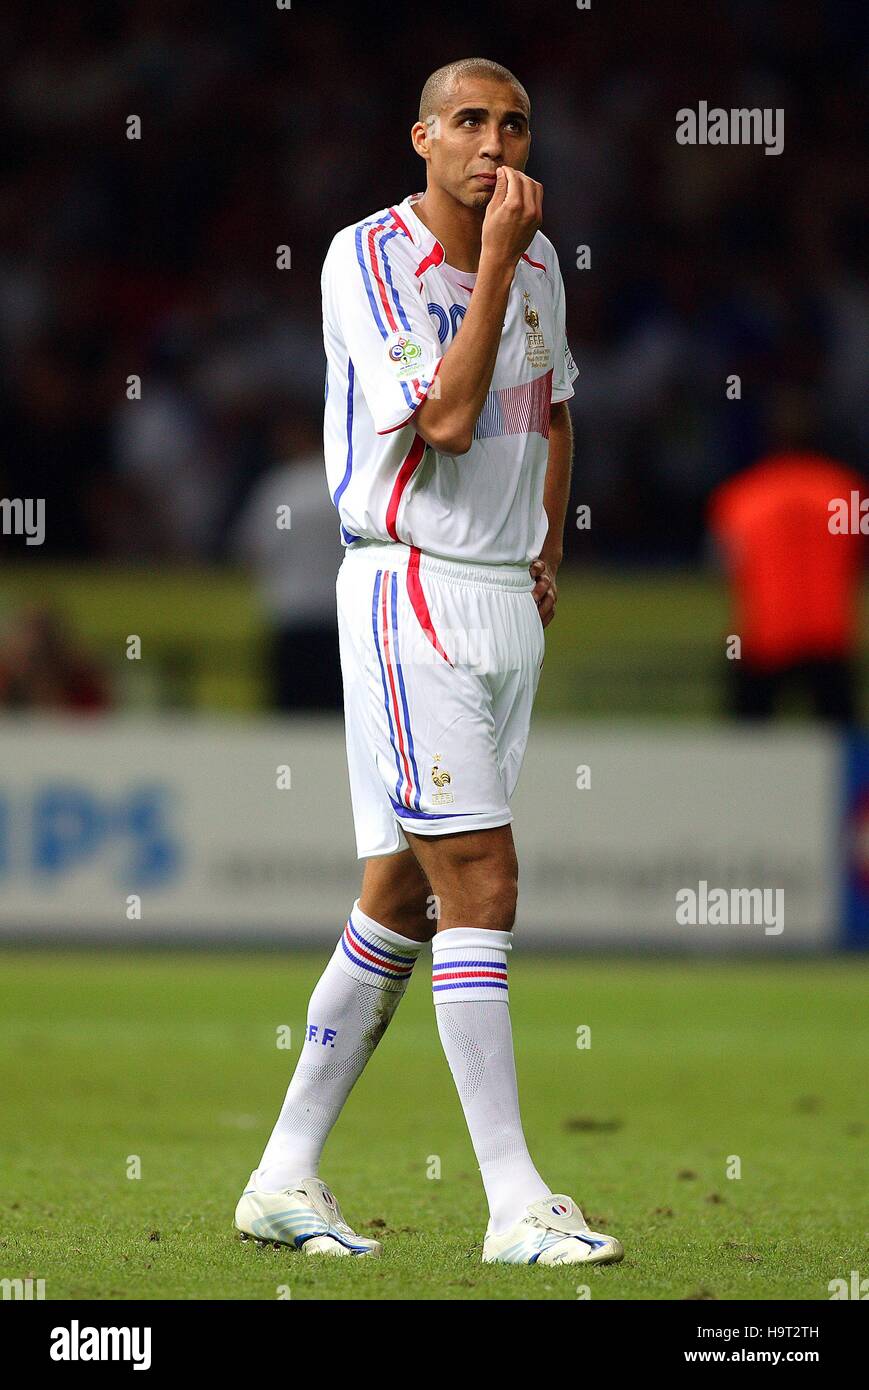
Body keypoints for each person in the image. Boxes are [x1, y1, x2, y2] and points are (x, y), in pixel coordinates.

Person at [235, 57, 624, 1268]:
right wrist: (497, 262)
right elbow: (446, 422)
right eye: (469, 122)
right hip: (409, 583)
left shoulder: (545, 263)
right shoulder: (367, 256)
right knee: (483, 884)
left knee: (401, 896)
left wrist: (549, 549)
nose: (494, 144)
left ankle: (281, 1177)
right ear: (421, 136)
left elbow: (551, 409)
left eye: (513, 124)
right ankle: (514, 1203)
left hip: (503, 596)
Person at [708, 391, 865, 724]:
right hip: (829, 636)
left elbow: (723, 565)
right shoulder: (846, 491)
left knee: (745, 750)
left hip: (766, 637)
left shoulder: (741, 496)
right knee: (843, 746)